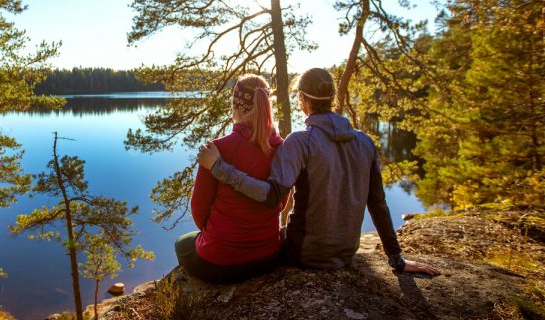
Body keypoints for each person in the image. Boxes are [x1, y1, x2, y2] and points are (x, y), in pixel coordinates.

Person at [197, 68, 440, 275]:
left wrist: (220, 168)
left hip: (304, 254)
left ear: (302, 100)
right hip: (345, 253)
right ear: (332, 98)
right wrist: (396, 259)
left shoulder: (300, 142)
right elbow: (377, 202)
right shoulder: (365, 142)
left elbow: (270, 197)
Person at [175, 74, 286, 283]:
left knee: (182, 243)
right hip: (269, 256)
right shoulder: (281, 148)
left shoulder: (216, 150)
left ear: (236, 105)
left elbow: (199, 211)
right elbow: (281, 202)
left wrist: (223, 238)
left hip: (220, 262)